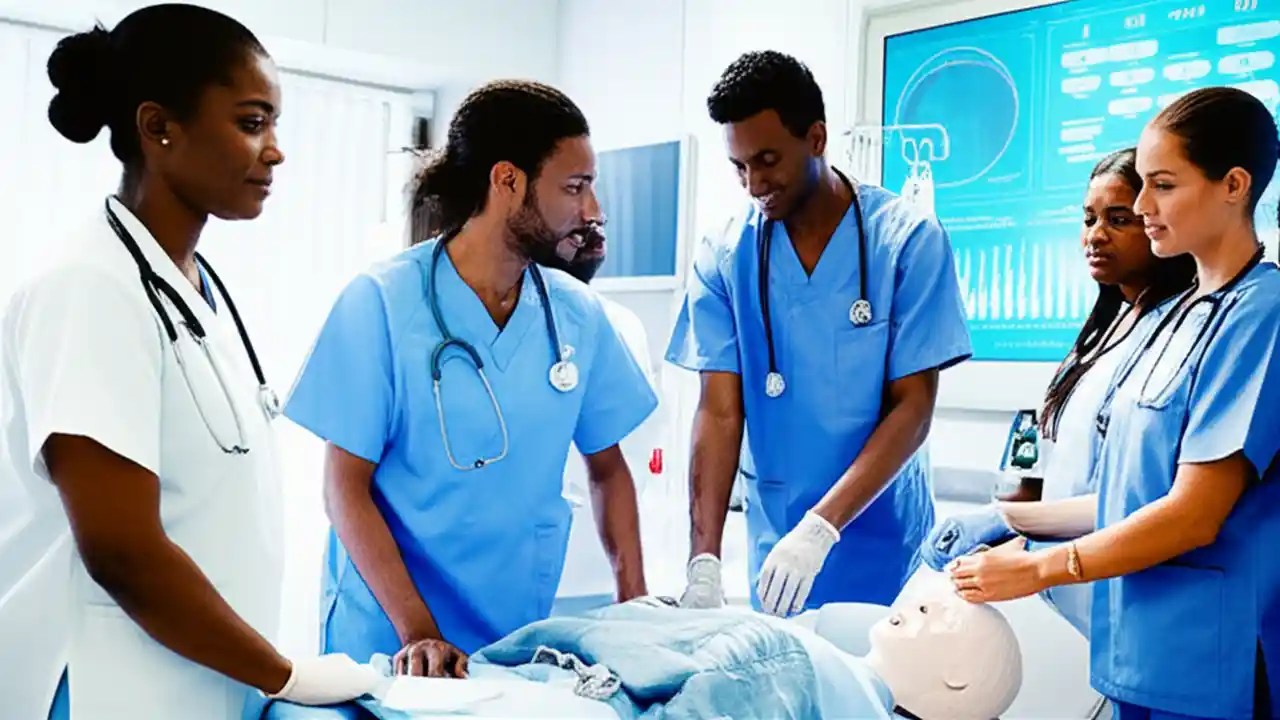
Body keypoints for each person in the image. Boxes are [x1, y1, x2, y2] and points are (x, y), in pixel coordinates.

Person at [0, 6, 379, 719]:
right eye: (251, 122)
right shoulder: (89, 288)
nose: (275, 151)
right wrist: (283, 674)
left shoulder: (189, 287)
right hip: (105, 689)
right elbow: (123, 552)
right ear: (158, 127)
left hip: (190, 684)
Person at [283, 79, 658, 678]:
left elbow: (609, 471)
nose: (591, 211)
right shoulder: (379, 303)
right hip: (390, 642)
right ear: (507, 180)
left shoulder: (577, 316)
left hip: (511, 645)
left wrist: (635, 606)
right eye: (574, 187)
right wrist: (419, 634)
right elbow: (343, 489)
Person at [948, 86, 1280, 720]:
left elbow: (1192, 515)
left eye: (1163, 186)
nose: (1144, 205)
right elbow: (1133, 488)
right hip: (1135, 648)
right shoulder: (1174, 317)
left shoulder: (1263, 315)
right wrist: (1016, 524)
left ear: (1234, 185)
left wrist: (1043, 569)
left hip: (1213, 661)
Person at [666, 50, 972, 616]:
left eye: (767, 160)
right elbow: (719, 411)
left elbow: (913, 407)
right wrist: (703, 561)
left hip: (885, 546)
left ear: (816, 137)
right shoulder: (725, 255)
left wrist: (821, 530)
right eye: (739, 167)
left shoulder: (906, 241)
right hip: (776, 554)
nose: (754, 183)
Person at [919, 148, 1196, 635]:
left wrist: (1013, 519)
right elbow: (1068, 475)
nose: (1096, 235)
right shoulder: (1105, 328)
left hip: (1130, 590)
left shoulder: (1177, 333)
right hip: (1076, 596)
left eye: (1118, 219)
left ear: (1156, 224)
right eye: (1089, 219)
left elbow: (1136, 496)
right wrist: (1013, 530)